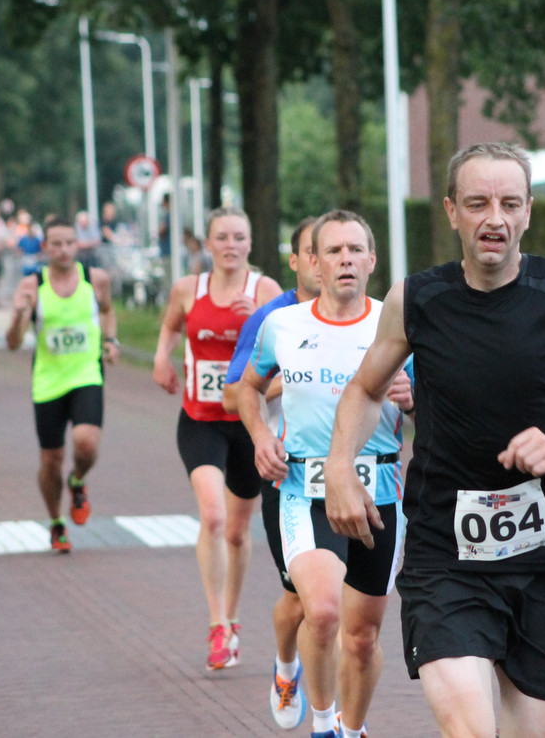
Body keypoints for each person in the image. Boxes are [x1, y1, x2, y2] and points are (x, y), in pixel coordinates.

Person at [324, 143, 545, 738]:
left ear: (528, 212)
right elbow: (365, 389)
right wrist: (340, 467)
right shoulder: (417, 299)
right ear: (452, 212)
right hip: (444, 552)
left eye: (508, 203)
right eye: (477, 203)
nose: (493, 218)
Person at [234, 211, 413, 738]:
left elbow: (438, 408)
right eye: (333, 251)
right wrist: (262, 437)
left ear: (372, 260)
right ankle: (323, 725)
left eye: (356, 250)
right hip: (302, 489)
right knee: (325, 611)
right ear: (312, 261)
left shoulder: (397, 325)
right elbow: (247, 387)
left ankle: (352, 729)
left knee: (361, 638)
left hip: (379, 491)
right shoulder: (283, 325)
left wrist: (415, 396)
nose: (345, 261)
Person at [152, 207, 282, 670]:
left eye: (239, 237)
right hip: (200, 419)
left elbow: (290, 356)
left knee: (236, 529)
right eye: (221, 237)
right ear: (207, 245)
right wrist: (161, 358)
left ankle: (232, 614)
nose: (230, 245)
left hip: (248, 424)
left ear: (250, 245)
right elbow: (170, 324)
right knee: (211, 516)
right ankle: (216, 626)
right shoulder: (189, 289)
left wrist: (259, 321)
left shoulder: (265, 292)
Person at [220, 215, 319, 728]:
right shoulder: (272, 318)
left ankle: (339, 716)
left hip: (359, 474)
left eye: (341, 251)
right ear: (297, 260)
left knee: (346, 612)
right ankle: (285, 668)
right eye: (315, 251)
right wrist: (293, 382)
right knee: (299, 598)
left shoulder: (371, 317)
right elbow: (235, 391)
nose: (329, 262)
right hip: (287, 472)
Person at [5, 215, 119, 553]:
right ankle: (56, 522)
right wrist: (19, 315)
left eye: (69, 242)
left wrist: (111, 340)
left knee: (86, 444)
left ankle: (78, 480)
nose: (64, 249)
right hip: (48, 380)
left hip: (86, 373)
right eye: (56, 243)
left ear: (77, 244)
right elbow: (12, 343)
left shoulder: (95, 279)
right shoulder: (31, 286)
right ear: (45, 248)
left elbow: (108, 310)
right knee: (51, 459)